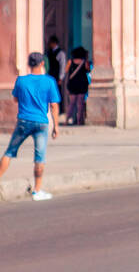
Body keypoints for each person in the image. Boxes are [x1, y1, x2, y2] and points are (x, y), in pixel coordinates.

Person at [0, 51, 61, 200]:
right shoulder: (49, 81)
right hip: (41, 123)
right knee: (40, 157)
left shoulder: (21, 80)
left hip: (24, 121)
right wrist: (56, 127)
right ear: (42, 64)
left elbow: (15, 99)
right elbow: (54, 105)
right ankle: (37, 191)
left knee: (9, 152)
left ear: (28, 64)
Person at [46, 35, 68, 121]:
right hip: (50, 76)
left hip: (56, 77)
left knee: (57, 93)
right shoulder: (49, 52)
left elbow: (62, 65)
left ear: (54, 43)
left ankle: (60, 111)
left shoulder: (60, 53)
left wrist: (61, 77)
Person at [66, 46, 90, 125]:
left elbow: (66, 70)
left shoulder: (70, 61)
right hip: (82, 84)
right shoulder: (84, 62)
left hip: (73, 84)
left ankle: (67, 119)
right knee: (80, 104)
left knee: (72, 103)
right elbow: (88, 70)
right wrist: (86, 58)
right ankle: (80, 121)